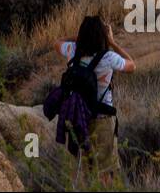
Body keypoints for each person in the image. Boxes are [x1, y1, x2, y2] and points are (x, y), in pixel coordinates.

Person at [58, 14, 135, 184]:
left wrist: (77, 37)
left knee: (85, 171)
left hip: (79, 120)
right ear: (102, 35)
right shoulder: (109, 58)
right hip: (103, 120)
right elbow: (131, 65)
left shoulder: (72, 51)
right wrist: (112, 42)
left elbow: (56, 43)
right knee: (105, 174)